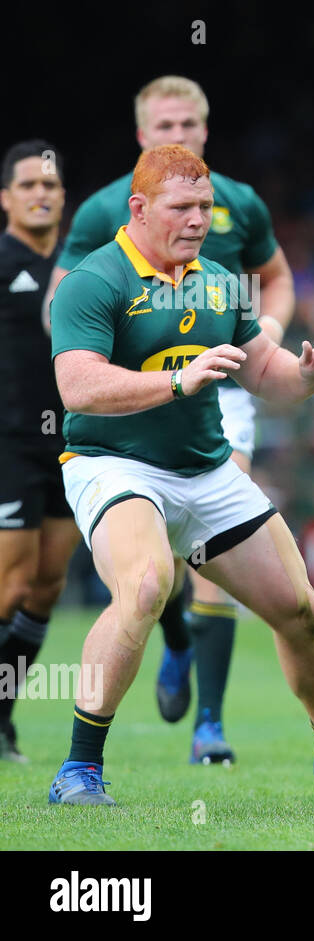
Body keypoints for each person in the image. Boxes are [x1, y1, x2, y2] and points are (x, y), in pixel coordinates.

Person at [46, 144, 314, 804]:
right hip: (114, 467)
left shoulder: (221, 281)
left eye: (206, 207)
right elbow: (77, 386)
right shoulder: (95, 279)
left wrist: (309, 374)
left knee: (302, 611)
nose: (199, 218)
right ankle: (79, 769)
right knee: (146, 585)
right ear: (139, 209)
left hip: (206, 470)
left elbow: (263, 373)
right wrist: (176, 380)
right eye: (183, 207)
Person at [44, 76, 295, 766]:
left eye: (189, 123)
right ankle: (174, 636)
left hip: (225, 382)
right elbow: (63, 298)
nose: (177, 134)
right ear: (141, 136)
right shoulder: (102, 212)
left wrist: (265, 333)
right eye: (164, 125)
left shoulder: (237, 202)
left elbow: (273, 276)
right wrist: (84, 356)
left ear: (206, 130)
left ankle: (209, 725)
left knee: (214, 552)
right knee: (154, 571)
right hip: (134, 403)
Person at [0, 141, 81, 762]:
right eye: (28, 184)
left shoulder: (77, 263)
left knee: (46, 587)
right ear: (7, 197)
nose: (41, 193)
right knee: (10, 583)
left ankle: (3, 720)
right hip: (8, 442)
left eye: (50, 185)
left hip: (71, 444)